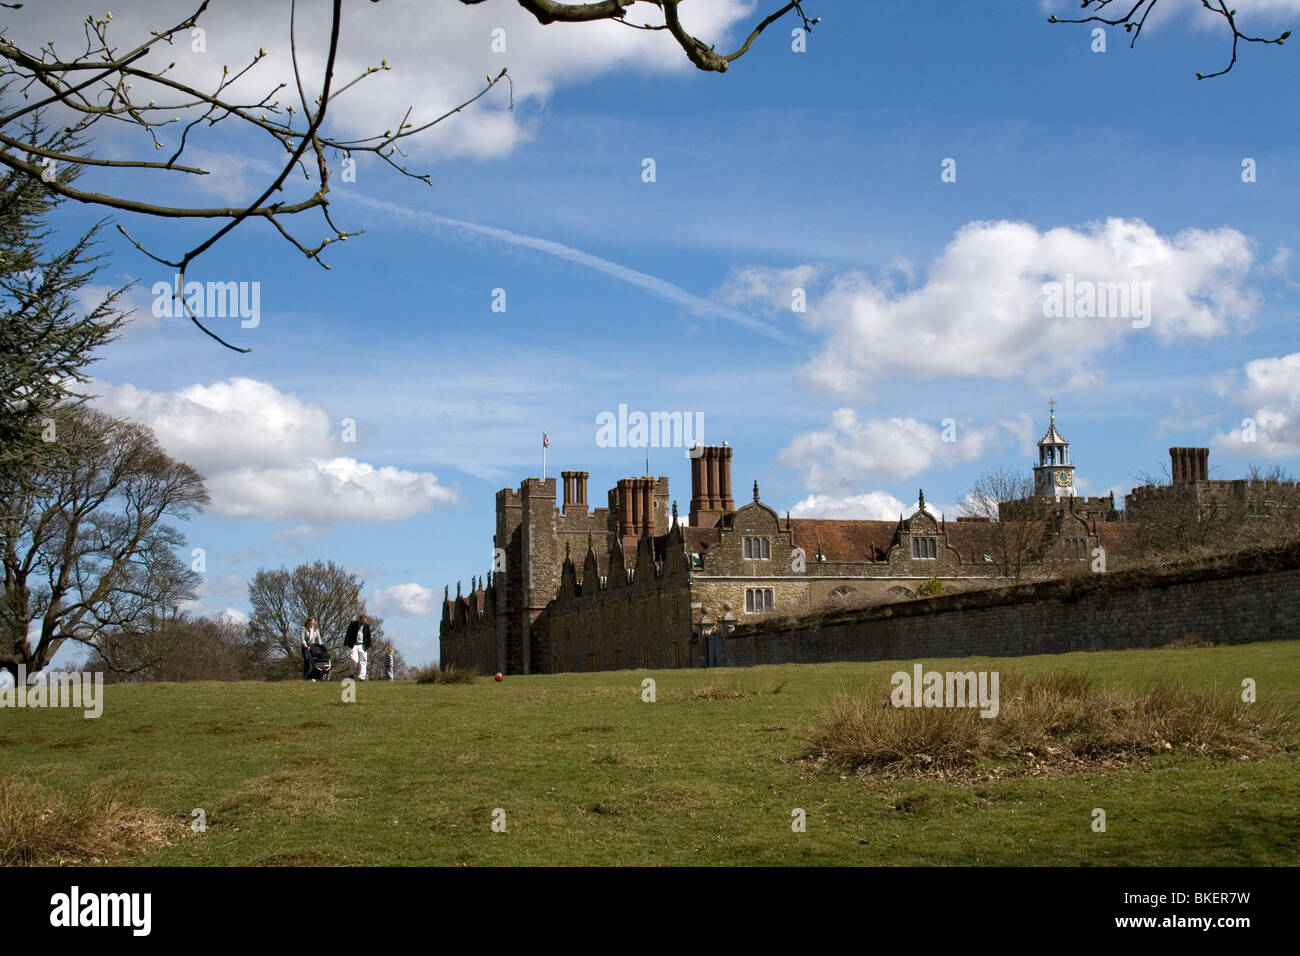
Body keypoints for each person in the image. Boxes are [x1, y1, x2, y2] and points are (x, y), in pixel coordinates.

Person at [344, 614, 372, 680]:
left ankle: (361, 677)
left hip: (363, 645)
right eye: (362, 622)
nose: (363, 623)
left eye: (364, 622)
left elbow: (369, 636)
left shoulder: (366, 626)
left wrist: (369, 645)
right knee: (354, 659)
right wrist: (346, 643)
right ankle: (351, 674)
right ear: (359, 620)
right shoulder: (353, 624)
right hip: (354, 645)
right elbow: (348, 633)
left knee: (363, 661)